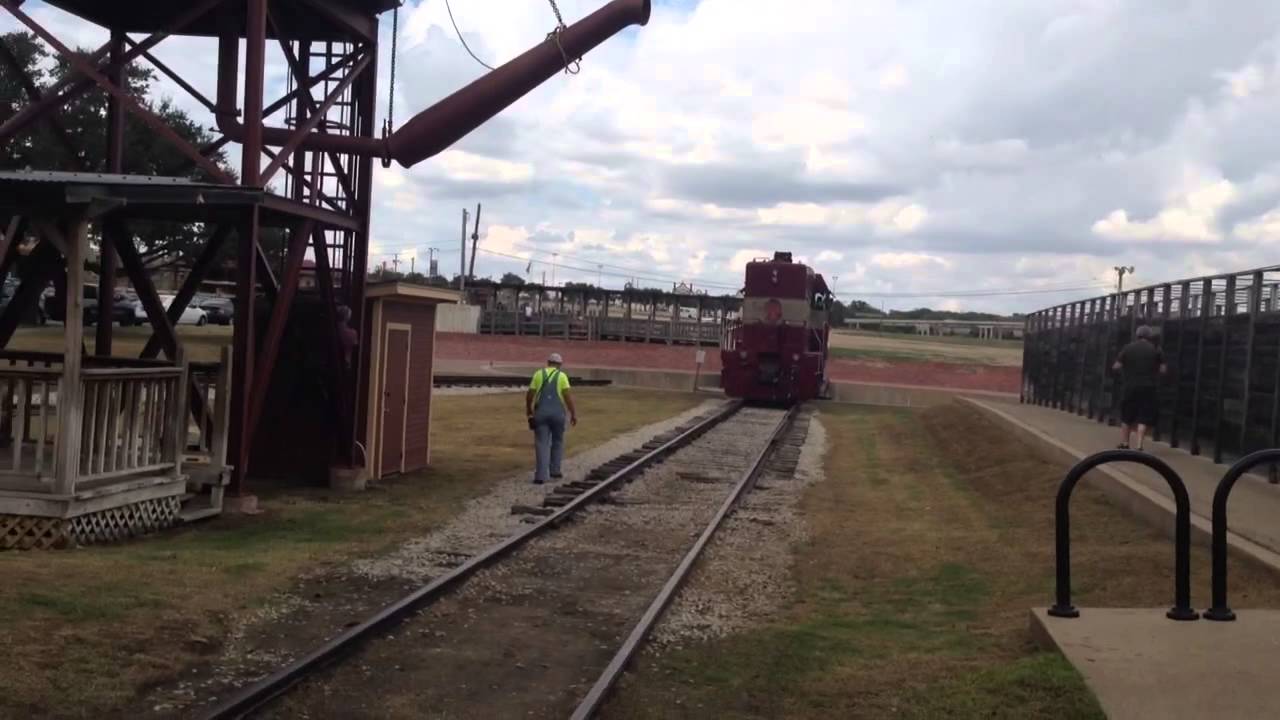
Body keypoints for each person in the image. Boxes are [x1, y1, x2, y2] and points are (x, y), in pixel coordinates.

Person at [1112, 324, 1167, 451]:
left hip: (1130, 386)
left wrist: (1127, 369)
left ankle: (1125, 443)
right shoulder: (1156, 349)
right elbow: (1163, 370)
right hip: (1149, 387)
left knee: (1127, 415)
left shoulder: (1128, 348)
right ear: (1149, 336)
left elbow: (1116, 366)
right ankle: (1139, 445)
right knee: (1144, 416)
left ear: (1137, 335)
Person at [526, 352, 578, 484]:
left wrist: (529, 409)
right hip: (558, 414)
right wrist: (573, 413)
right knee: (558, 441)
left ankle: (541, 476)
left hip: (541, 414)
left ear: (548, 363)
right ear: (559, 364)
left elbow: (530, 394)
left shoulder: (538, 374)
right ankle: (555, 470)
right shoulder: (562, 376)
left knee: (542, 444)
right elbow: (567, 397)